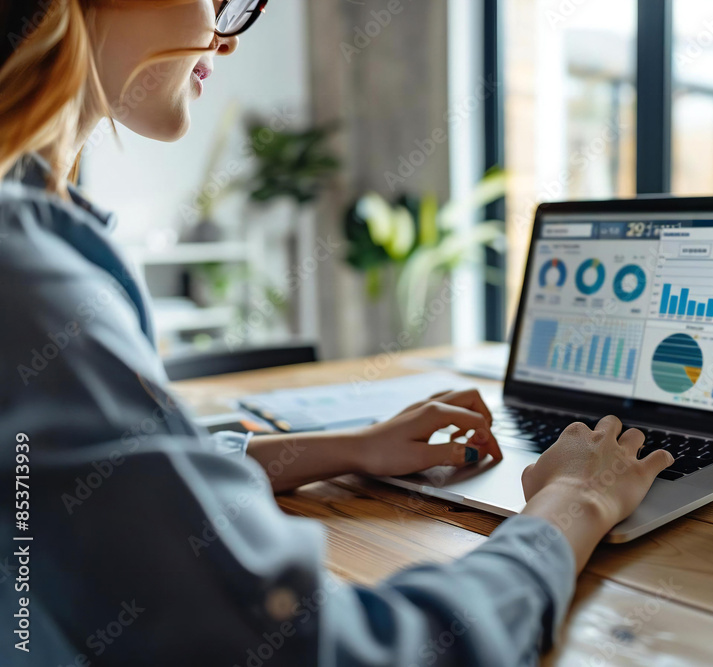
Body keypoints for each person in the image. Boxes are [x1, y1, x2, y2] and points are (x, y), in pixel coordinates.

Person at [0, 1, 674, 665]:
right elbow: (334, 652)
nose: (226, 38)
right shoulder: (26, 277)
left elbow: (117, 481)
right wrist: (573, 503)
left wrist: (353, 447)